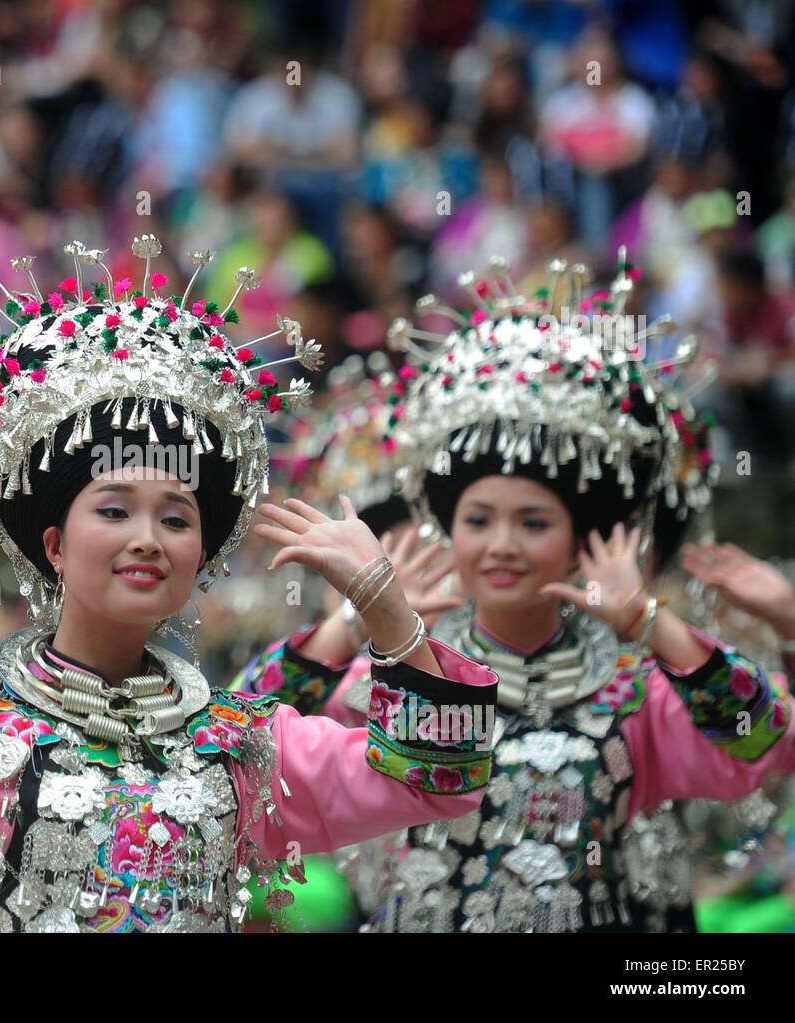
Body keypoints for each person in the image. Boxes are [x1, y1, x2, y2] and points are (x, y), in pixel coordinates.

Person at [0, 237, 498, 933]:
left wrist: (384, 605)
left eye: (178, 519)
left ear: (201, 556)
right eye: (114, 509)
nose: (147, 538)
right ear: (53, 543)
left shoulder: (247, 747)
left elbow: (441, 777)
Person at [236, 252, 795, 932]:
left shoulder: (632, 687)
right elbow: (239, 748)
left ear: (579, 539)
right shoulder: (402, 677)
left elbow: (762, 737)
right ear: (448, 533)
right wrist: (354, 625)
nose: (502, 544)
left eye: (533, 522)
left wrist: (651, 622)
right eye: (478, 519)